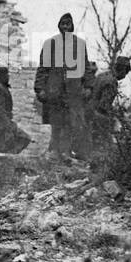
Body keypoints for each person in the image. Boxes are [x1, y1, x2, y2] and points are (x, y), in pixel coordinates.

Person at [34, 12, 92, 161]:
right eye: (63, 24)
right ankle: (54, 150)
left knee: (70, 122)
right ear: (59, 26)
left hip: (73, 90)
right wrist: (40, 88)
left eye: (68, 24)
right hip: (55, 89)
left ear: (72, 26)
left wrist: (88, 86)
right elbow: (43, 68)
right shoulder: (50, 44)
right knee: (56, 121)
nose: (65, 27)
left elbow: (86, 67)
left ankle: (66, 152)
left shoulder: (79, 44)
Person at [0, 66, 32, 153]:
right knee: (20, 139)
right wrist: (8, 127)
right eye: (6, 75)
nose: (8, 77)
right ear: (1, 76)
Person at [89, 55, 131, 152]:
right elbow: (104, 106)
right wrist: (117, 117)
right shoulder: (112, 82)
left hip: (89, 111)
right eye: (126, 73)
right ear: (123, 70)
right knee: (108, 147)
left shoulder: (102, 75)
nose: (124, 76)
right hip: (98, 116)